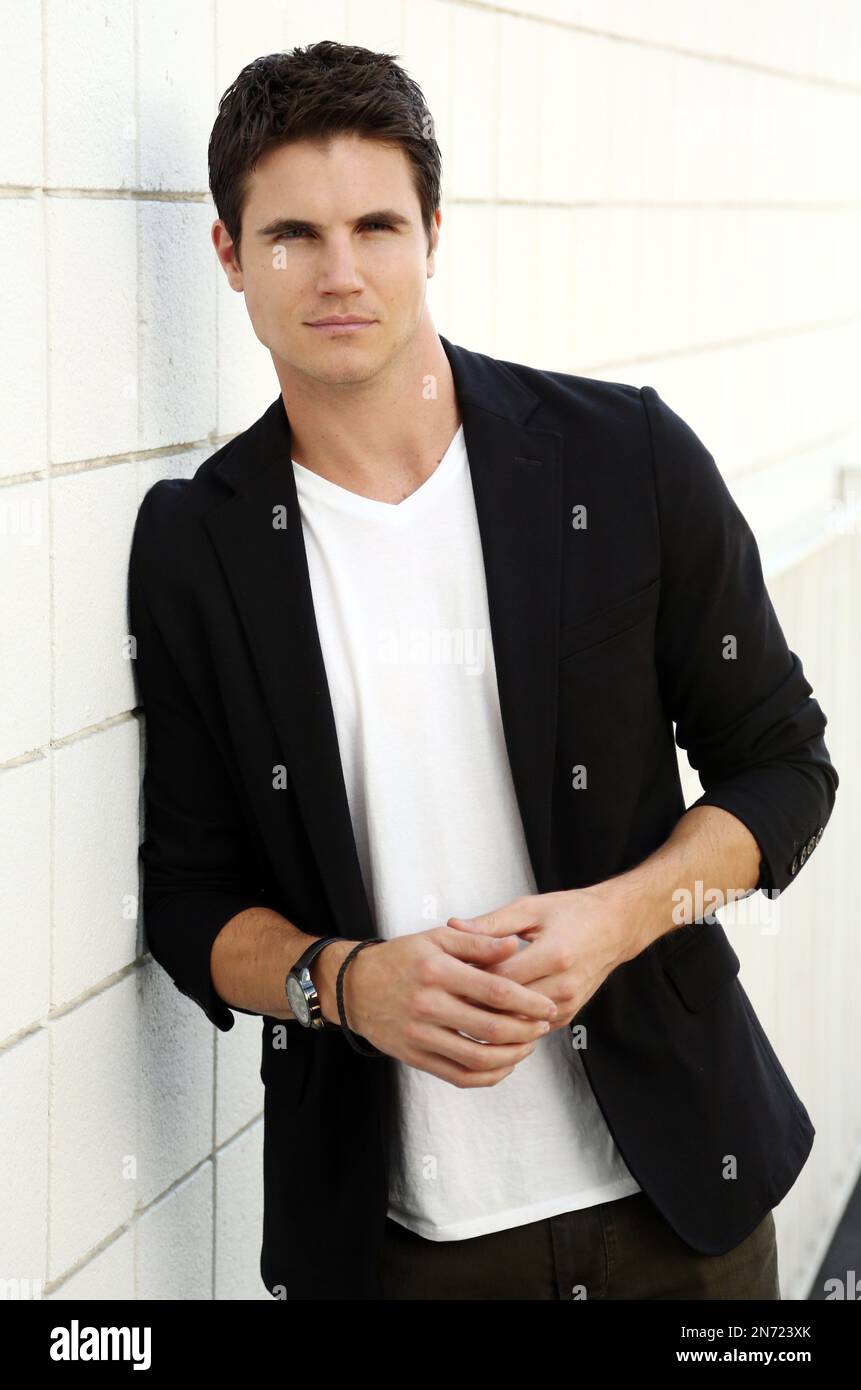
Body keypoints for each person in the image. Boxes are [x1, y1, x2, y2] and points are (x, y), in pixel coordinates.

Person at [128, 41, 838, 1300]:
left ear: (435, 232)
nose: (341, 272)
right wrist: (346, 985)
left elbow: (783, 768)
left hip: (686, 1209)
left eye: (377, 224)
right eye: (293, 234)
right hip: (397, 1248)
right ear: (231, 256)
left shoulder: (622, 461)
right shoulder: (199, 543)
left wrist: (620, 919)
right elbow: (190, 901)